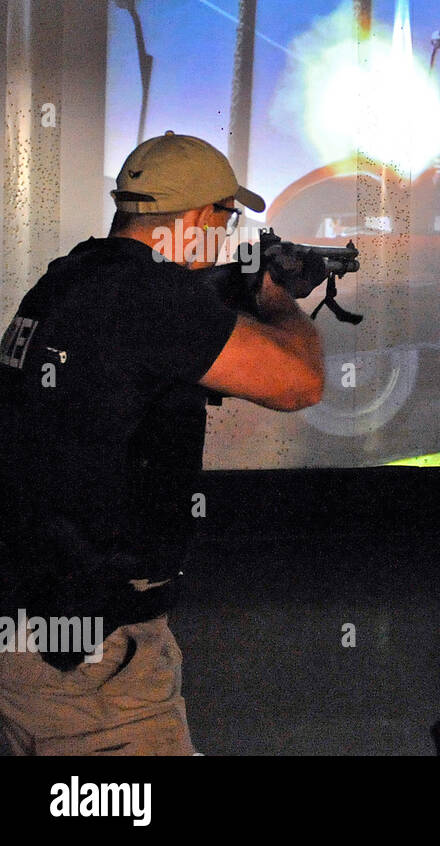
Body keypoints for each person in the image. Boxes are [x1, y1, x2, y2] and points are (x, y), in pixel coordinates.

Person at [0, 131, 324, 755]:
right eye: (227, 217)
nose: (228, 233)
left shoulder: (68, 278)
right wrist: (279, 302)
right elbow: (300, 384)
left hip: (30, 609)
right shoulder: (149, 298)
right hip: (88, 652)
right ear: (200, 216)